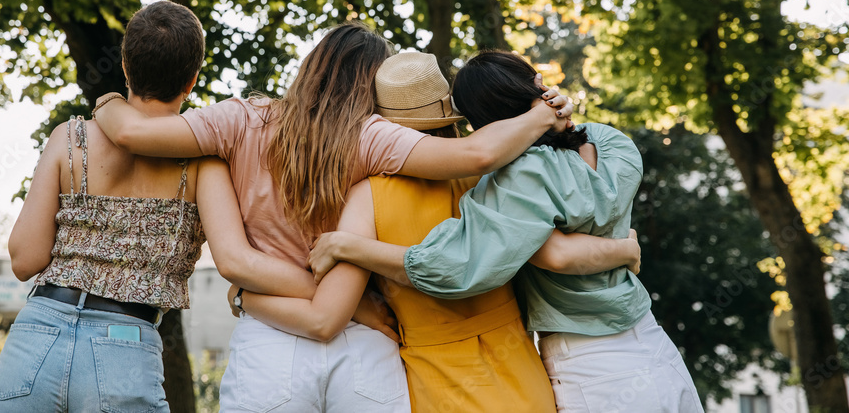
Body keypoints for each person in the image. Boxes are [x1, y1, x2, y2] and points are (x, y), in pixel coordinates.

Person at [91, 21, 576, 412]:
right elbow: (474, 156)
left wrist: (108, 99)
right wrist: (543, 115)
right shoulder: (373, 136)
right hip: (366, 340)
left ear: (310, 66)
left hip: (272, 340)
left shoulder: (240, 120)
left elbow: (132, 135)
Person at [229, 52, 642, 412]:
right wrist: (624, 250)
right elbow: (556, 249)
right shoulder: (499, 179)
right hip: (519, 367)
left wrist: (249, 293)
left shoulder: (365, 197)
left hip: (436, 378)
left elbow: (328, 313)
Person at [309, 50, 704, 413]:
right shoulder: (612, 142)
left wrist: (347, 246)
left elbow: (459, 265)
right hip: (650, 341)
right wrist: (625, 249)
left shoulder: (516, 179)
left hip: (586, 362)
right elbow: (557, 247)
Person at [0, 1, 317, 413]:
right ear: (192, 80)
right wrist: (320, 286)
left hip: (37, 335)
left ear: (125, 66)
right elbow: (235, 262)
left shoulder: (69, 139)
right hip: (124, 347)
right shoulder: (203, 161)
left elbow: (24, 260)